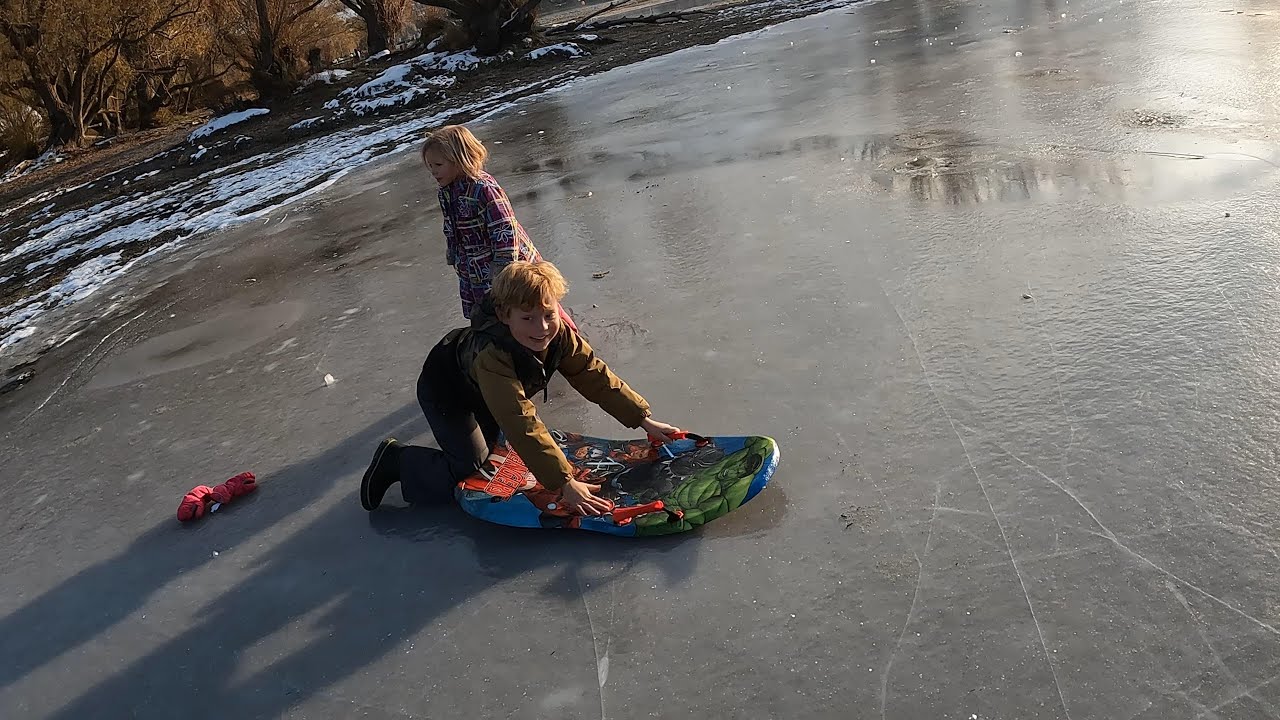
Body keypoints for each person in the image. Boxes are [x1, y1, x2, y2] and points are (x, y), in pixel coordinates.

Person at [360, 261, 680, 516]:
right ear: (504, 315)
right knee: (470, 470)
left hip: (484, 393)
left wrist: (643, 419)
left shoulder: (560, 336)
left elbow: (593, 375)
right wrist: (564, 482)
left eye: (549, 314)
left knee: (495, 454)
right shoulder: (493, 355)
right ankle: (398, 460)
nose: (542, 328)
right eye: (527, 318)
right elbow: (518, 419)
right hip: (447, 390)